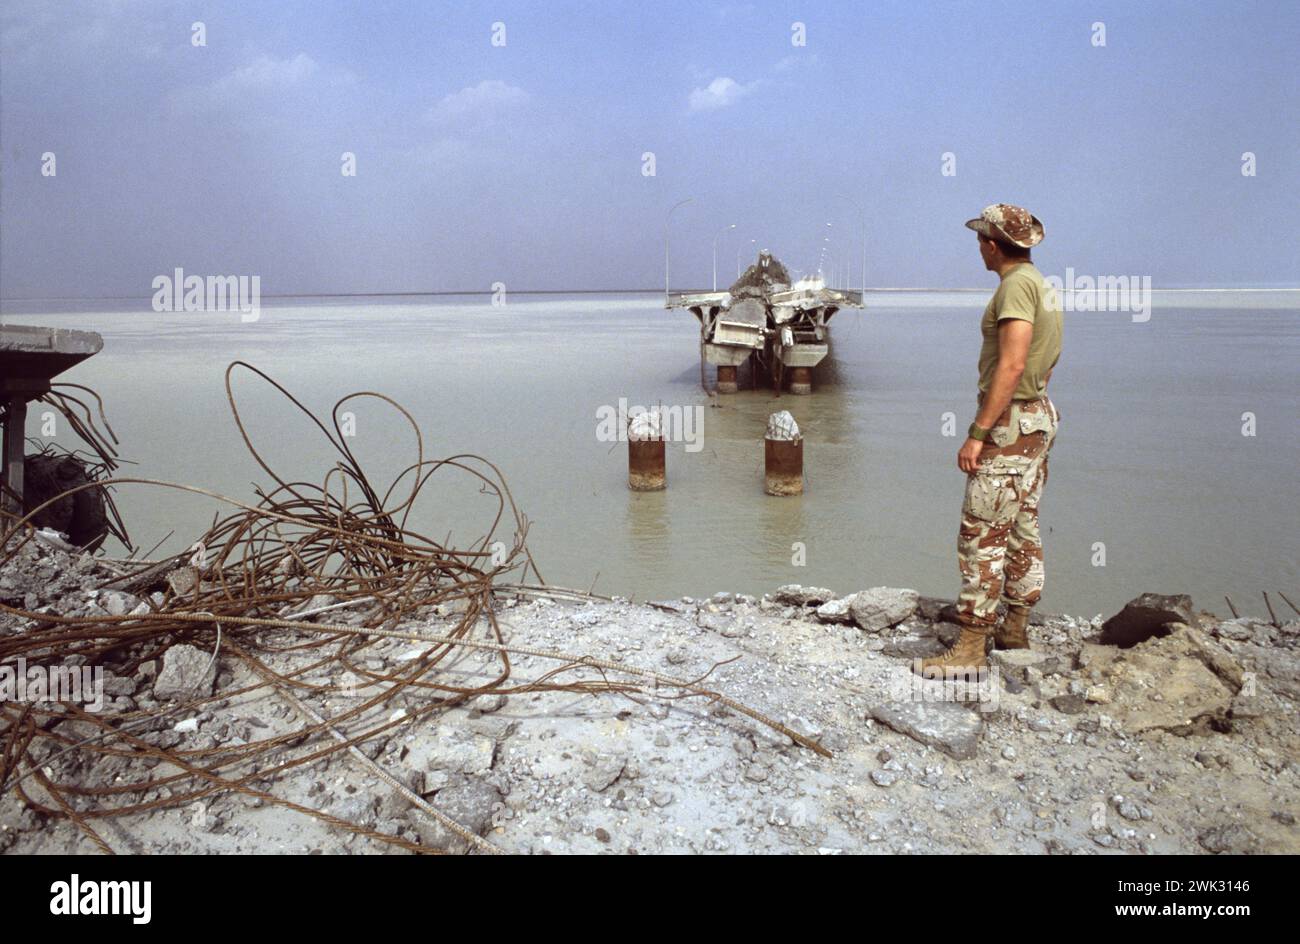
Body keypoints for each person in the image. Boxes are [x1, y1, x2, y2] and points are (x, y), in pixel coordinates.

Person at [917, 204, 1063, 677]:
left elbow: (1013, 363)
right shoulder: (1041, 284)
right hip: (1037, 416)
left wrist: (979, 433)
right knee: (1022, 525)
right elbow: (1045, 358)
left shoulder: (1016, 287)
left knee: (982, 533)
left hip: (1011, 422)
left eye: (981, 240)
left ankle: (971, 647)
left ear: (993, 245)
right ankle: (1015, 626)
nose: (978, 248)